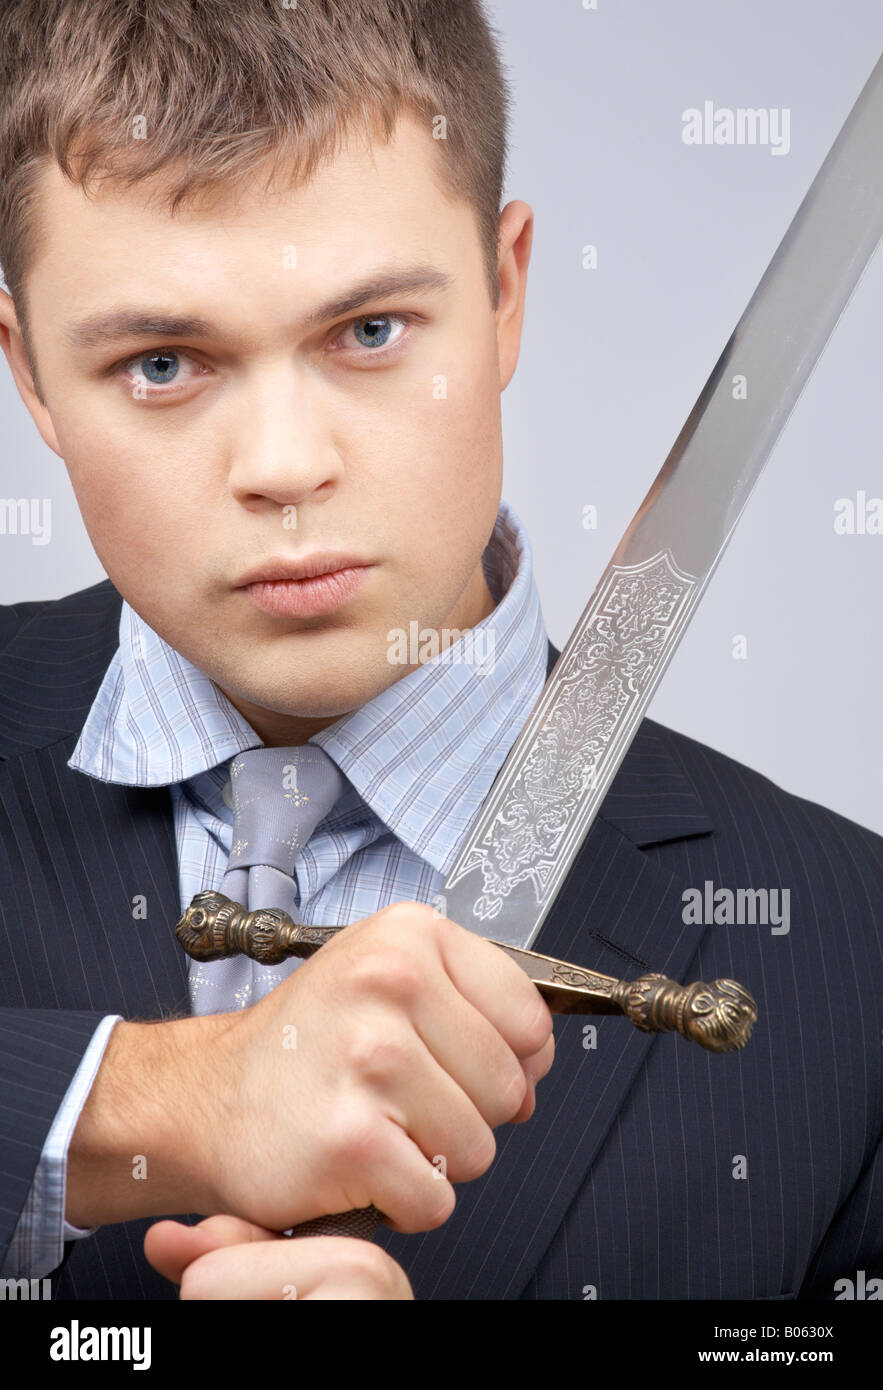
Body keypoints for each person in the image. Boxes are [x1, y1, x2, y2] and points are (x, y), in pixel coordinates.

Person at [0, 0, 879, 1302]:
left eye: (369, 333)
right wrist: (149, 1102)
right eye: (164, 361)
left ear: (506, 290)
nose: (287, 465)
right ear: (28, 376)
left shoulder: (856, 958)